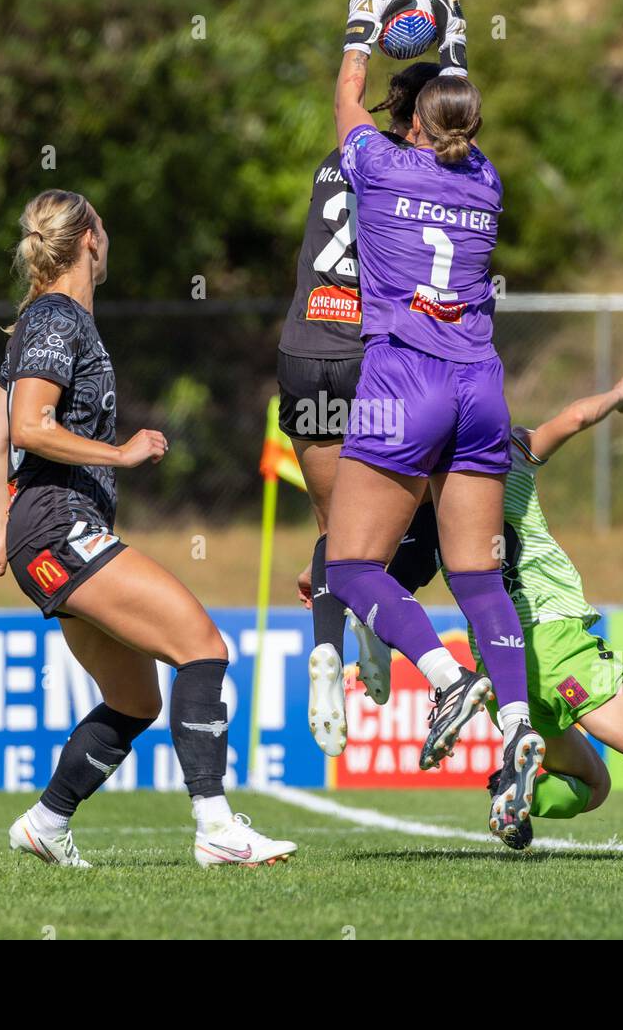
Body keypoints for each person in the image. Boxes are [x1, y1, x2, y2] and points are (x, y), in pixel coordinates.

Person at [0, 188, 295, 869]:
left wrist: (5, 526)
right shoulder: (58, 318)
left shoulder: (44, 319)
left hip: (42, 532)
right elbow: (29, 428)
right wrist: (120, 454)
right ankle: (215, 826)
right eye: (106, 221)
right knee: (203, 647)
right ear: (89, 238)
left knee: (134, 698)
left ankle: (47, 820)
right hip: (61, 526)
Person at [323, 0, 543, 849]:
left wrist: (362, 24)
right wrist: (448, 24)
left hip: (402, 381)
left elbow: (347, 95)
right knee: (479, 577)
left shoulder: (375, 166)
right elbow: (455, 105)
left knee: (348, 570)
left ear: (406, 121)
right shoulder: (485, 180)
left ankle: (446, 679)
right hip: (481, 387)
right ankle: (519, 724)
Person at [360, 372, 623, 859]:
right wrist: (620, 396)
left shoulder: (427, 510)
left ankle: (515, 794)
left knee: (591, 784)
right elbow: (577, 416)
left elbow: (382, 581)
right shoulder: (508, 456)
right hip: (559, 641)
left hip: (503, 670)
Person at [276, 60, 444, 754]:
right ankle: (375, 620)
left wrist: (360, 31)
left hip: (302, 353)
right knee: (425, 526)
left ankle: (326, 646)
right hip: (369, 361)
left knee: (332, 528)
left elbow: (348, 98)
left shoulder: (333, 161)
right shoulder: (415, 177)